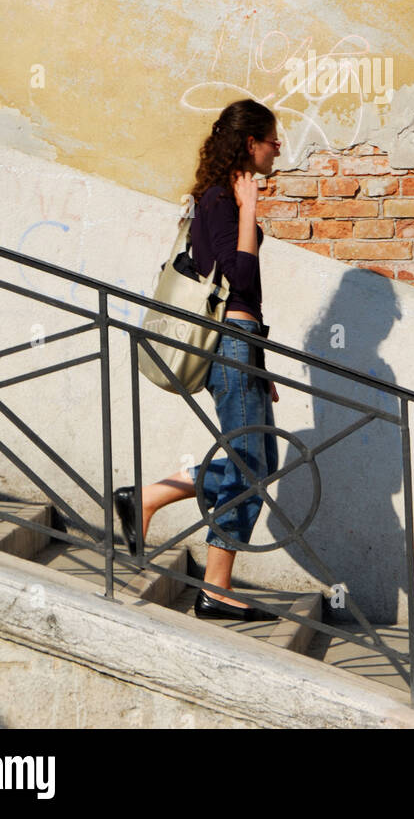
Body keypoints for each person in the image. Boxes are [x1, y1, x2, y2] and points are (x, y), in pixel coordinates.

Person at [114, 99, 281, 621]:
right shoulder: (221, 200)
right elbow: (241, 280)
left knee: (259, 460)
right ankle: (215, 588)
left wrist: (262, 364)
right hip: (231, 344)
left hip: (240, 345)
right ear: (250, 143)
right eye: (273, 139)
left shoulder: (216, 198)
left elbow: (239, 294)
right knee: (251, 463)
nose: (279, 149)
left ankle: (147, 497)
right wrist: (250, 207)